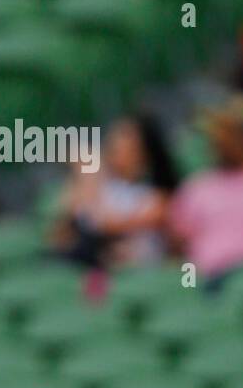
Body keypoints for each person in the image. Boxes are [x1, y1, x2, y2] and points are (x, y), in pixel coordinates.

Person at [168, 97, 243, 287]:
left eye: (229, 134)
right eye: (217, 136)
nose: (222, 142)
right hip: (214, 283)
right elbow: (177, 244)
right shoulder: (197, 188)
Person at [49, 112, 178, 271]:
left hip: (132, 275)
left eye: (125, 136)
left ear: (143, 150)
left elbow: (102, 223)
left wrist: (91, 175)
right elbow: (61, 233)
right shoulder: (102, 185)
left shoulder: (157, 199)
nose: (113, 141)